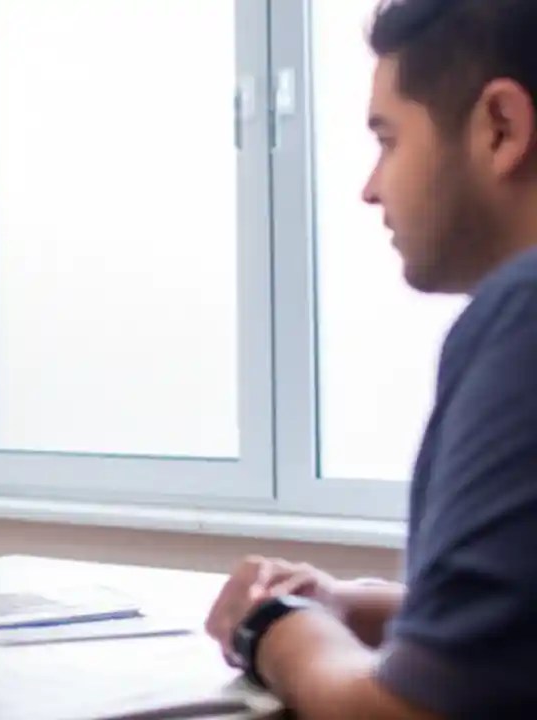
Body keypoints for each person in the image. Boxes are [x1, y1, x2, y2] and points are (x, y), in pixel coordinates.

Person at [204, 0, 537, 717]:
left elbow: (408, 713)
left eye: (389, 139)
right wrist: (349, 605)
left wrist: (278, 630)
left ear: (501, 128)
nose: (370, 187)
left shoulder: (525, 313)